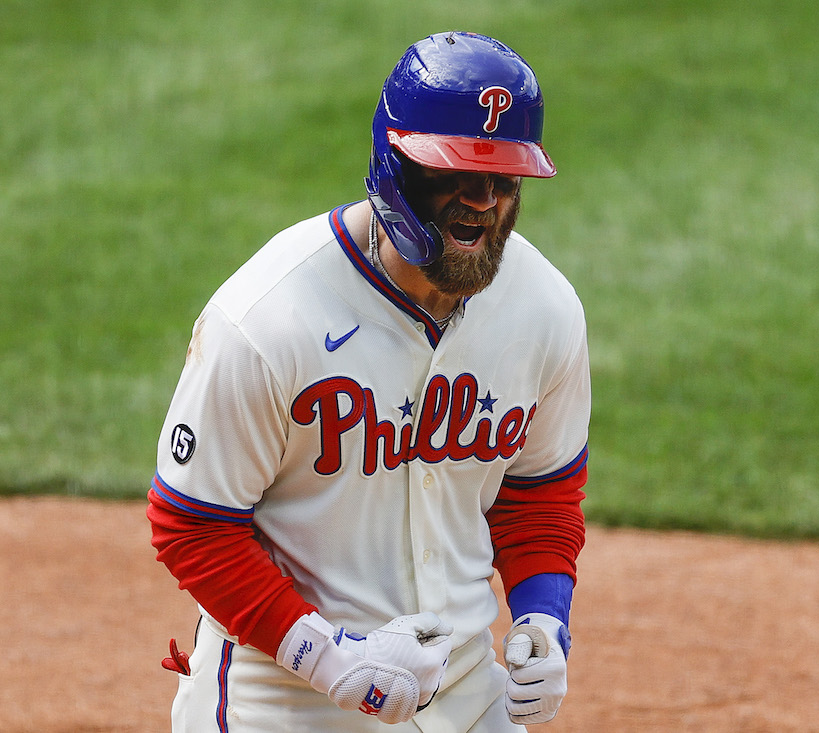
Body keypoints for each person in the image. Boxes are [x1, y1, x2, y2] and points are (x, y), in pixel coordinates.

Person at [148, 30, 590, 732]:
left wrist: (543, 614)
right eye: (454, 175)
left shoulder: (544, 308)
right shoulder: (269, 317)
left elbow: (539, 495)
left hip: (467, 691)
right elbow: (193, 525)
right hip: (286, 697)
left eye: (503, 178)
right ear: (394, 167)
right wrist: (331, 659)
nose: (482, 202)